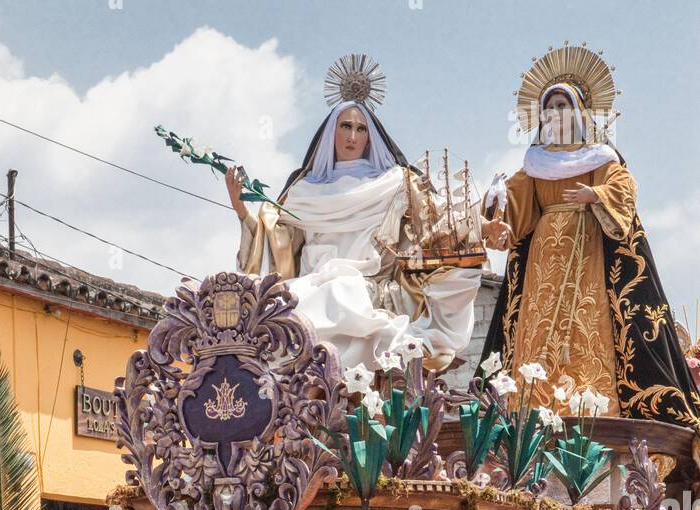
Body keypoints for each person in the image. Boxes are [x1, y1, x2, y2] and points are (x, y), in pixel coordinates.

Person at [480, 45, 700, 451]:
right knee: (538, 333)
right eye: (550, 109)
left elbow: (625, 191)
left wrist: (596, 195)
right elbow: (514, 210)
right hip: (544, 260)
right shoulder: (533, 164)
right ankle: (531, 416)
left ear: (579, 113)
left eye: (563, 106)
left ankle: (592, 413)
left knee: (585, 331)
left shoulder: (600, 157)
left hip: (588, 258)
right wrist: (497, 200)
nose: (556, 115)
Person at [229, 53, 481, 372]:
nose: (352, 136)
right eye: (345, 126)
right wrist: (240, 205)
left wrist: (481, 219)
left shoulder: (395, 183)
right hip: (309, 281)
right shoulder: (303, 189)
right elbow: (274, 241)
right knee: (279, 307)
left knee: (339, 291)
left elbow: (438, 221)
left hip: (362, 282)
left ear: (370, 136)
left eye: (361, 129)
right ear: (331, 132)